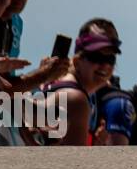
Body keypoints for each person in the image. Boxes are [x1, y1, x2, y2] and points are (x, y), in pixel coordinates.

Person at [41, 18, 121, 146]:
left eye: (110, 58)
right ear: (77, 61)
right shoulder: (76, 99)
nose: (105, 65)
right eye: (96, 57)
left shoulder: (55, 83)